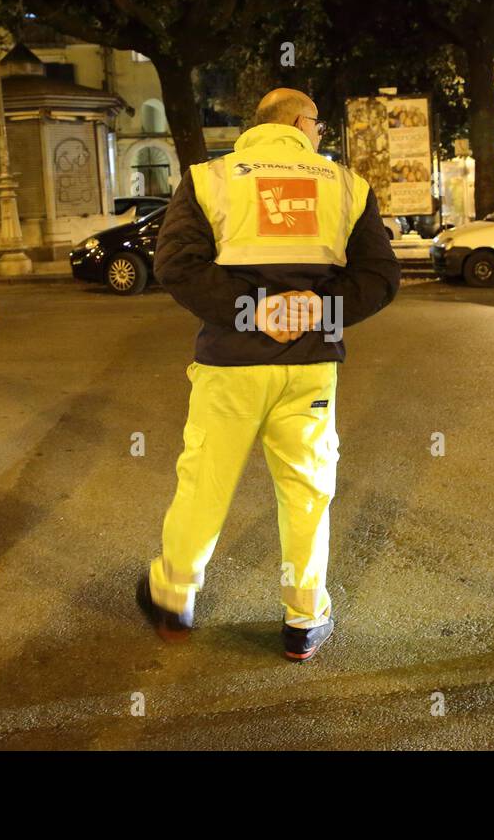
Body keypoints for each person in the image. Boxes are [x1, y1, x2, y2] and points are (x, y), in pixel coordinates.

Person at [136, 87, 400, 661]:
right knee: (306, 494)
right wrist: (318, 310)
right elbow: (380, 276)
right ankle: (304, 620)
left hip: (230, 364)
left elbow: (176, 264)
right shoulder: (346, 186)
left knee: (204, 483)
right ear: (302, 122)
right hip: (309, 369)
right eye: (320, 124)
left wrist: (251, 309)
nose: (322, 135)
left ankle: (174, 596)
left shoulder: (210, 179)